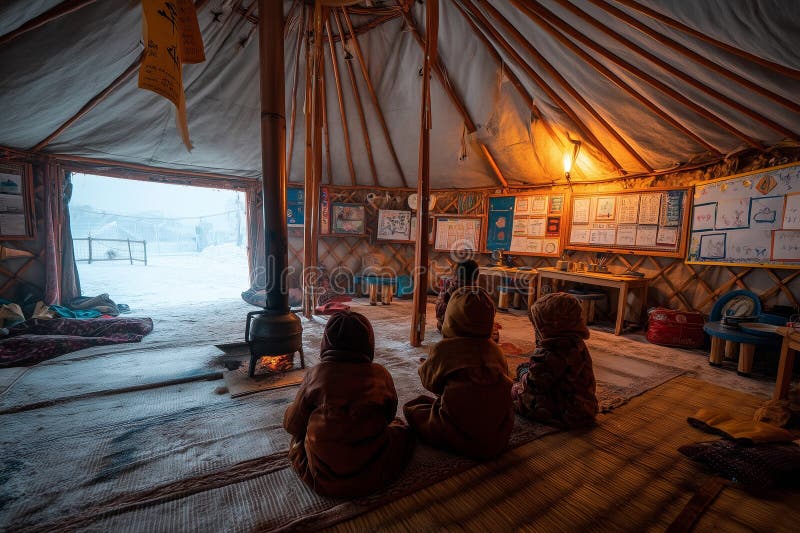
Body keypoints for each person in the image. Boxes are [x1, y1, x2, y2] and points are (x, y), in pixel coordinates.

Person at [283, 311, 414, 498]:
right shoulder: (381, 374)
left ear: (325, 343)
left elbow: (291, 424)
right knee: (402, 430)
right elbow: (389, 416)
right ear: (369, 344)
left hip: (323, 478)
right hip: (375, 472)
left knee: (298, 438)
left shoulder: (315, 374)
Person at [404, 287, 514, 460]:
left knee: (415, 408)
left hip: (455, 432)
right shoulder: (496, 351)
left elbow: (429, 382)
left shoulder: (444, 349)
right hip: (497, 436)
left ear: (450, 319)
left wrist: (429, 365)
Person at [511, 292, 598, 429]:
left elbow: (534, 385)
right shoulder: (576, 343)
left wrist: (523, 374)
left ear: (549, 326)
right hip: (586, 407)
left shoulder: (550, 352)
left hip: (566, 413)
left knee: (515, 390)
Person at [435, 259, 479, 333]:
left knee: (440, 324)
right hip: (477, 332)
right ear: (476, 276)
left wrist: (443, 295)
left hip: (456, 331)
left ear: (456, 274)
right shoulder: (481, 293)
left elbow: (439, 314)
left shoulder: (451, 290)